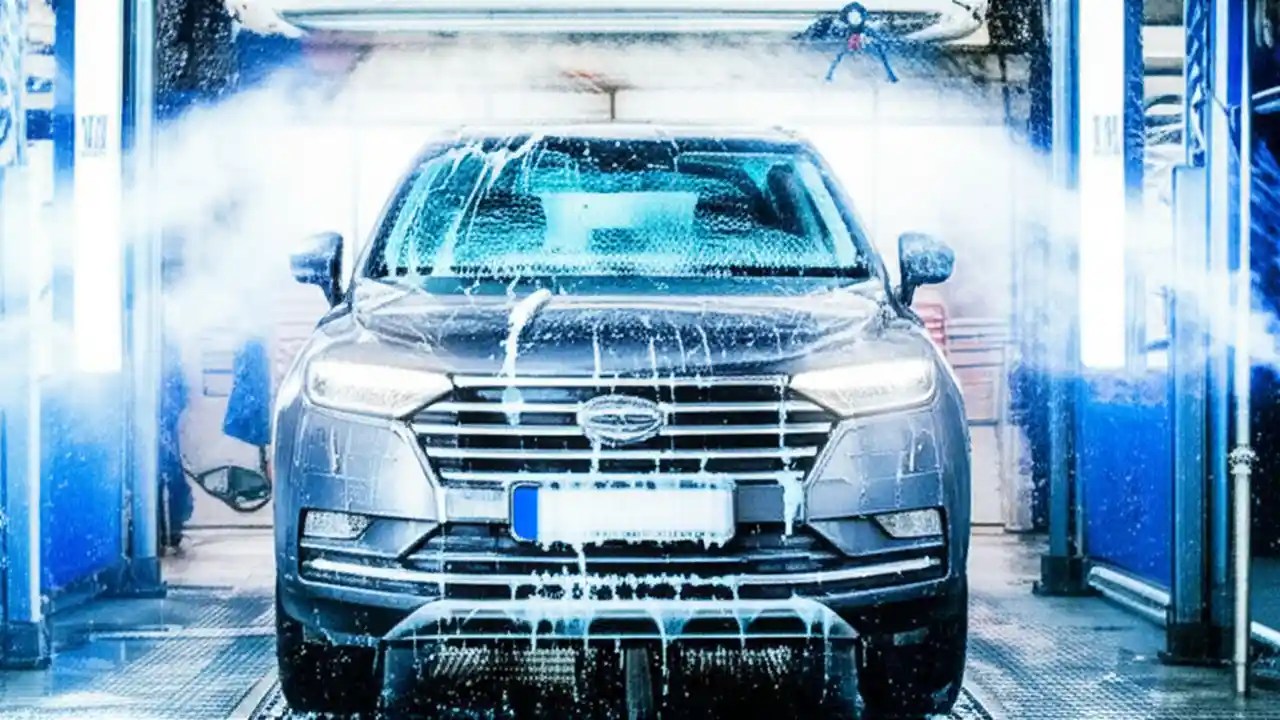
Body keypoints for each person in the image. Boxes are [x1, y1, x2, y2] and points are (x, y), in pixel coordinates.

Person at [159, 260, 194, 552]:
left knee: (166, 465)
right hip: (164, 397)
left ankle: (168, 531)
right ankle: (170, 530)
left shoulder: (164, 312)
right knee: (168, 465)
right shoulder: (164, 311)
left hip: (163, 398)